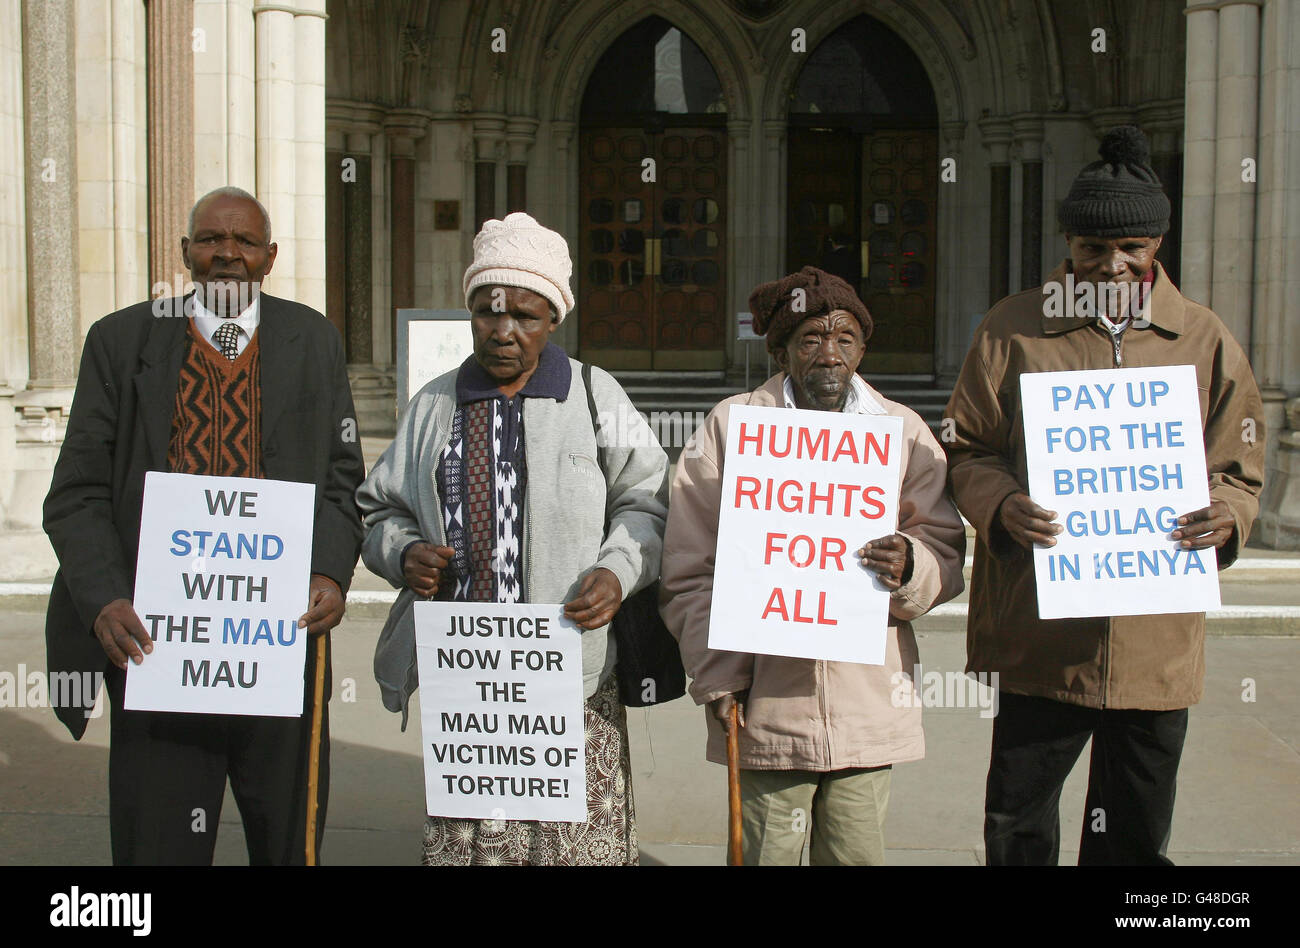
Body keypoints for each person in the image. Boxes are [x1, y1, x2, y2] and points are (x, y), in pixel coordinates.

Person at [942, 126, 1266, 866]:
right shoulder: (1014, 328)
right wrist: (999, 504)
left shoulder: (1206, 340)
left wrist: (1228, 514)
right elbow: (966, 447)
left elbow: (1240, 464)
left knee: (1136, 833)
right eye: (1092, 249)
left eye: (1132, 248)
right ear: (1069, 245)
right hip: (1041, 634)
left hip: (1157, 638)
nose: (1112, 265)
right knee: (1018, 826)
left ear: (1158, 245)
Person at [43, 186, 365, 865]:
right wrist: (103, 599)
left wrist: (331, 571)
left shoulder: (313, 341)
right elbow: (75, 494)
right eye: (211, 240)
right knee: (156, 848)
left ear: (270, 257)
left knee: (286, 845)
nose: (228, 254)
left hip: (276, 645)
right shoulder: (122, 340)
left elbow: (343, 480)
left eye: (245, 242)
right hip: (157, 651)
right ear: (187, 251)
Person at [357, 211, 669, 866]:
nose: (503, 332)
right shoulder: (435, 405)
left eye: (525, 316)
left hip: (571, 677)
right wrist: (402, 551)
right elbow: (379, 510)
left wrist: (615, 572)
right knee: (474, 847)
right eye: (487, 312)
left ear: (553, 318)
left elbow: (648, 501)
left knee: (572, 847)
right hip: (468, 680)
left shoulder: (594, 395)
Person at [660, 265, 966, 865]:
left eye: (844, 338)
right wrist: (718, 674)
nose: (829, 354)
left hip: (868, 708)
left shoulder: (901, 432)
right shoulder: (732, 429)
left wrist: (911, 567)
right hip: (766, 710)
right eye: (811, 339)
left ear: (862, 348)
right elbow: (688, 567)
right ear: (782, 349)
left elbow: (944, 549)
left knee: (854, 856)